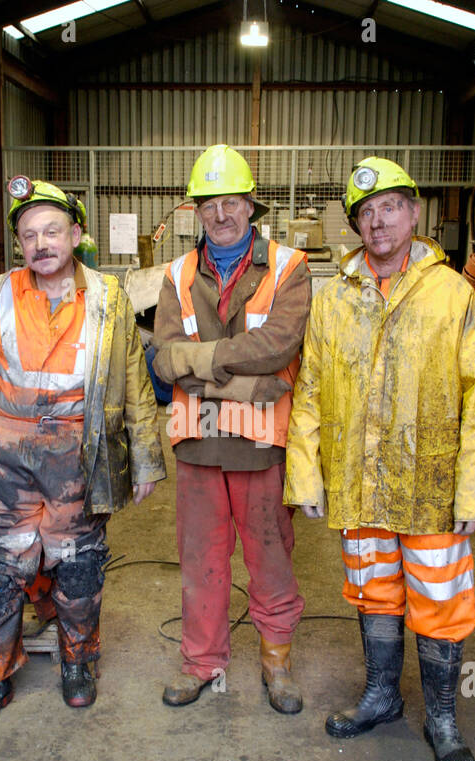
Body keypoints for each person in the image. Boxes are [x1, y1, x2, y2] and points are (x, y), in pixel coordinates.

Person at [285, 158, 475, 761]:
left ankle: (443, 717)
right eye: (365, 212)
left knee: (439, 598)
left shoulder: (450, 292)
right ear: (355, 224)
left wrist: (474, 487)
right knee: (374, 590)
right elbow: (311, 389)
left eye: (390, 208)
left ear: (415, 213)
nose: (377, 222)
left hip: (432, 485)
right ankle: (380, 694)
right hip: (360, 481)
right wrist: (306, 473)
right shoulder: (334, 298)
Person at [0, 177, 164, 727]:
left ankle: (77, 662)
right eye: (29, 235)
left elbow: (133, 381)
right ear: (18, 244)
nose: (41, 243)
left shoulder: (107, 297)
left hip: (77, 454)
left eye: (52, 231)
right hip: (7, 458)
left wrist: (142, 458)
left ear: (76, 233)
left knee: (78, 567)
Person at [152, 144, 311, 713]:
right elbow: (166, 358)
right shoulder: (176, 274)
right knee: (201, 558)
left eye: (231, 202)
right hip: (197, 442)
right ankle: (202, 662)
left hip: (260, 446)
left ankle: (277, 662)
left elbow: (277, 348)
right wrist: (245, 382)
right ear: (197, 211)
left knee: (270, 555)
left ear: (251, 206)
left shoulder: (290, 268)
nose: (221, 214)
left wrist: (203, 365)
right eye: (209, 204)